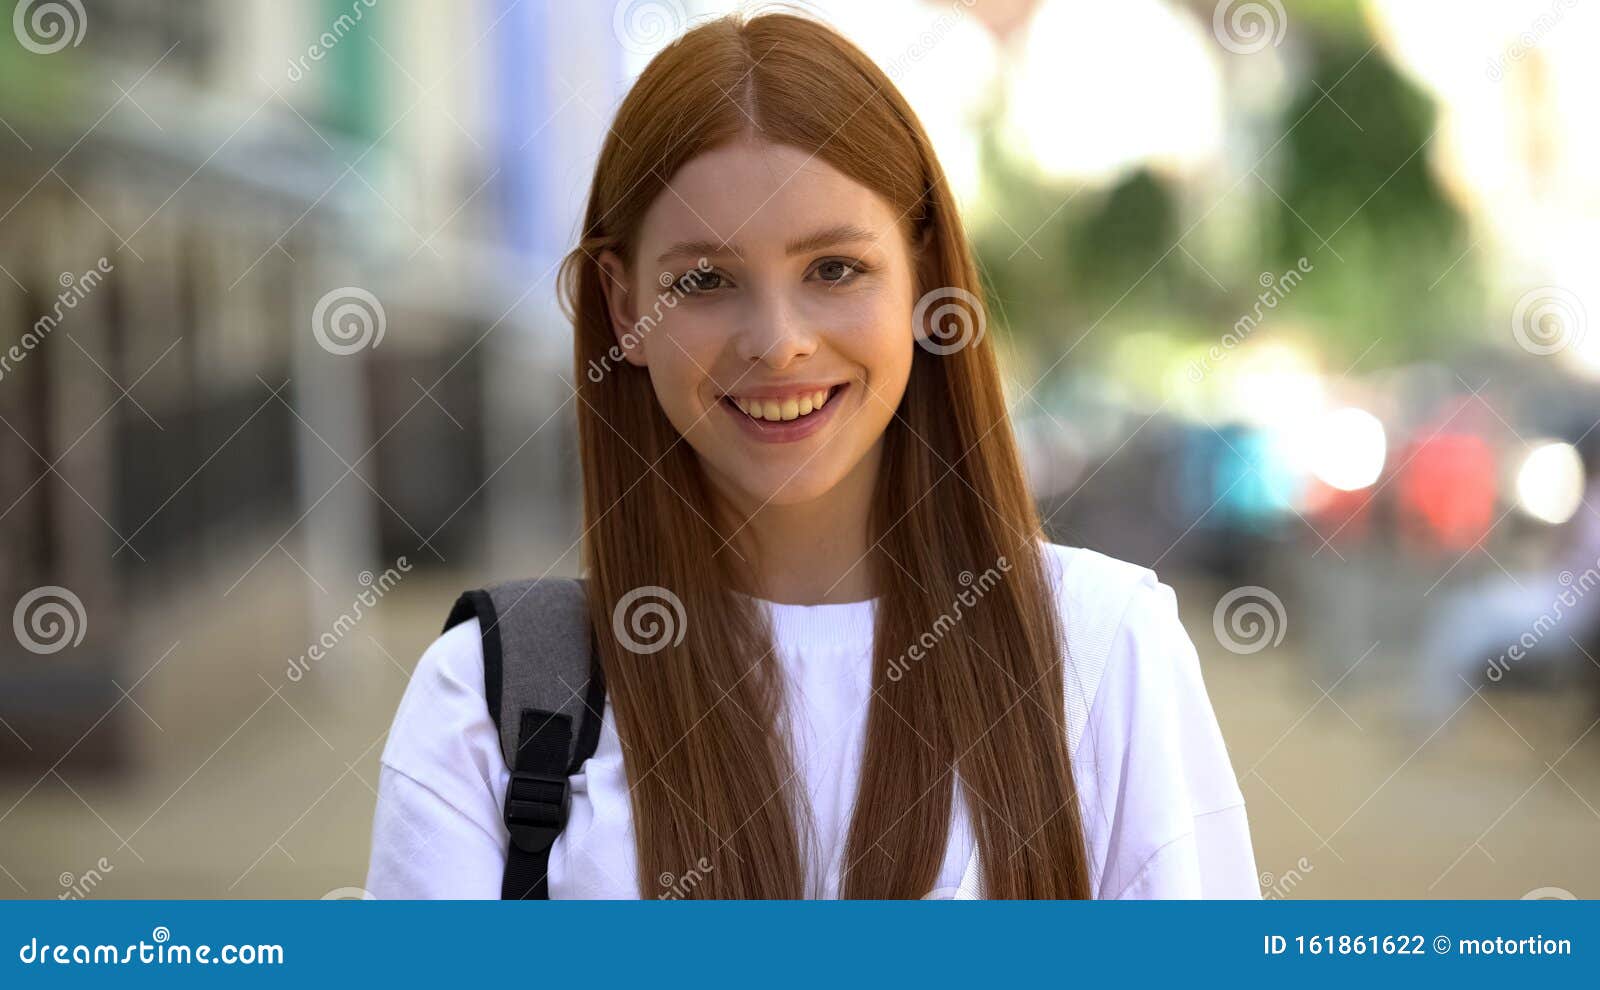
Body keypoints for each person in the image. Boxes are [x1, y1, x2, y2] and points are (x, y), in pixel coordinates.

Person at [365, 11, 1257, 899]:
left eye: (833, 269)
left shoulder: (1104, 653)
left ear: (923, 278)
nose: (778, 342)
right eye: (704, 281)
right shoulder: (487, 704)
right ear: (622, 300)